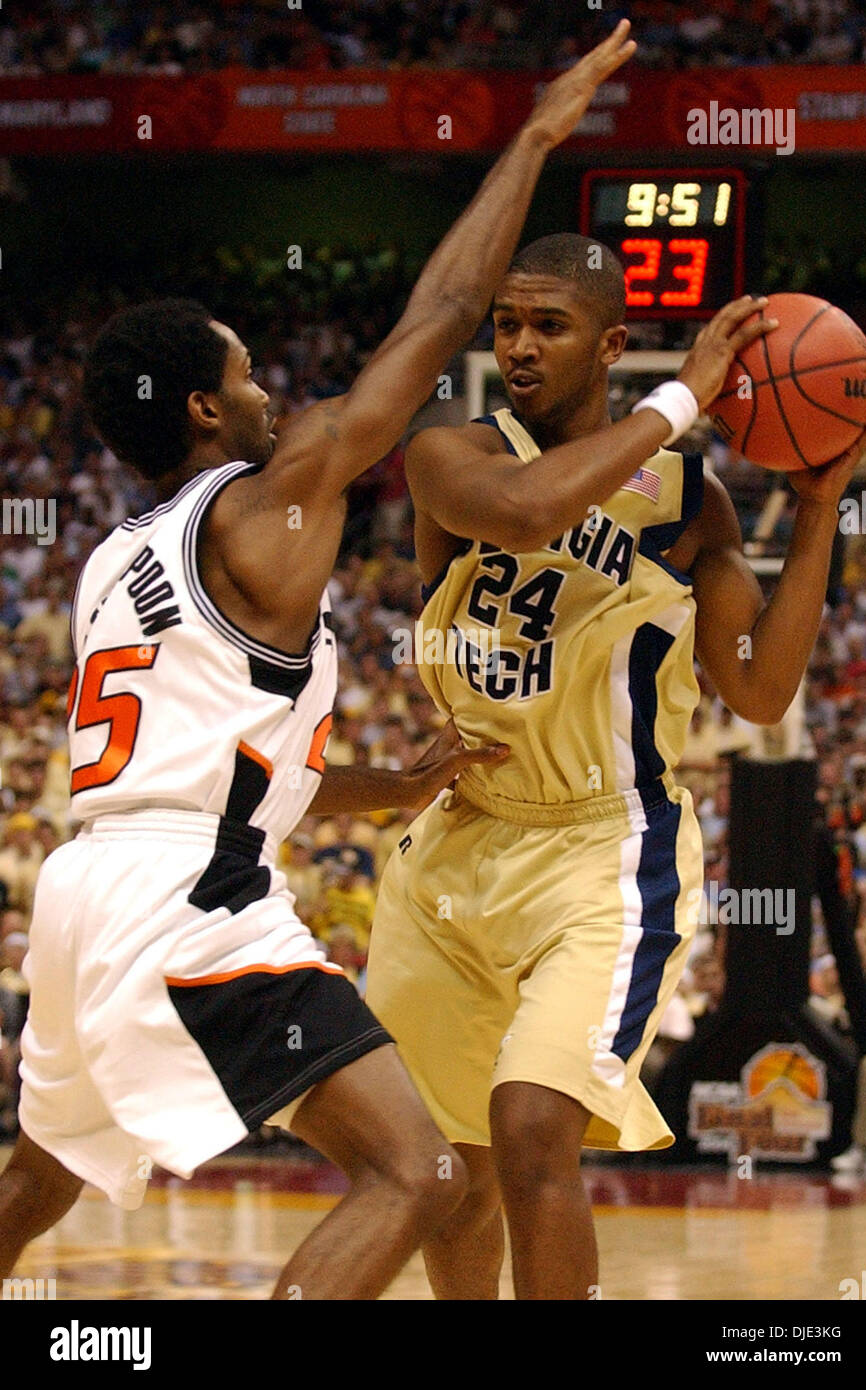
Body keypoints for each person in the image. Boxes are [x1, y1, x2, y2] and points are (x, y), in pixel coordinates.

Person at [0, 22, 638, 1302]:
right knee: (422, 1176)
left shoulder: (111, 557)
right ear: (201, 410)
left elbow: (205, 764)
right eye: (246, 373)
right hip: (189, 900)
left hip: (85, 896)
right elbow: (446, 314)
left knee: (36, 1176)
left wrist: (385, 792)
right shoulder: (264, 501)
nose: (270, 391)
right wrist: (537, 135)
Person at [365, 233, 866, 1299]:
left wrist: (823, 504)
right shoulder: (449, 453)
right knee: (447, 1160)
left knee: (532, 1123)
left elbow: (760, 688)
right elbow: (526, 512)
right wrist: (684, 398)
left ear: (612, 345)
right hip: (459, 842)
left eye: (548, 327)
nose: (517, 346)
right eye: (506, 323)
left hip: (607, 846)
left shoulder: (690, 503)